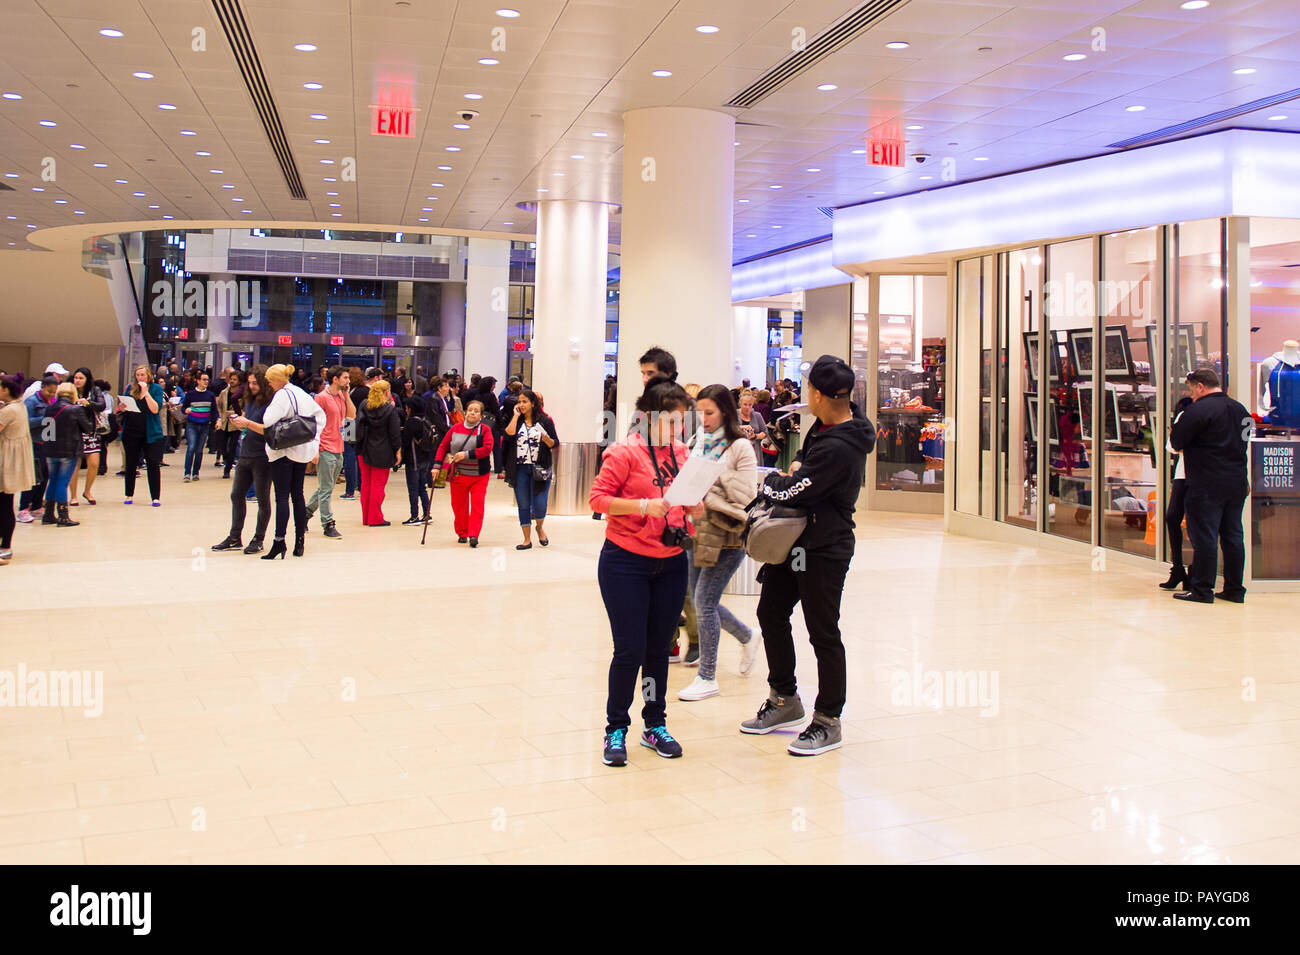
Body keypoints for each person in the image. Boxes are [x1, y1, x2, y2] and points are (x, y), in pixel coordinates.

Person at [740, 355, 875, 757]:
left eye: (807, 390)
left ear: (817, 394)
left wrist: (774, 483)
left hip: (825, 548)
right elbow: (801, 472)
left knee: (822, 630)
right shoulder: (828, 424)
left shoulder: (842, 445)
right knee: (771, 612)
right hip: (794, 540)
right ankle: (785, 699)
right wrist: (796, 473)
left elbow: (795, 487)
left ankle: (828, 719)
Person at [589, 375, 699, 767]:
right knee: (629, 649)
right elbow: (598, 498)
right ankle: (615, 728)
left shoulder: (683, 453)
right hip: (625, 562)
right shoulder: (623, 453)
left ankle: (655, 724)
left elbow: (686, 503)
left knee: (658, 649)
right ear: (648, 417)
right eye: (670, 421)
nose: (676, 430)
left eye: (681, 422)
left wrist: (695, 505)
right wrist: (640, 506)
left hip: (670, 562)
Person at [677, 385, 761, 702]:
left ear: (725, 411)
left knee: (705, 601)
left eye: (709, 412)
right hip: (698, 531)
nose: (704, 418)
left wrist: (711, 476)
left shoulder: (740, 447)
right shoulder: (697, 441)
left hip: (729, 535)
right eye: (700, 412)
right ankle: (746, 634)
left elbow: (746, 496)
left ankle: (707, 675)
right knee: (700, 600)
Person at [1169, 369, 1251, 604]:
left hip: (1206, 483)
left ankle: (1202, 589)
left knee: (1204, 536)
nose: (1191, 394)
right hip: (1236, 482)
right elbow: (1244, 441)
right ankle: (1235, 589)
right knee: (1233, 536)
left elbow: (1176, 443)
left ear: (1200, 387)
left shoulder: (1196, 411)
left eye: (1192, 389)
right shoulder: (1241, 410)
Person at [259, 364, 327, 559]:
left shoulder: (281, 395)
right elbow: (319, 417)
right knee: (298, 495)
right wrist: (314, 444)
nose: (269, 383)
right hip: (302, 450)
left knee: (281, 497)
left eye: (271, 379)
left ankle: (279, 541)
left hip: (283, 452)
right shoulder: (302, 393)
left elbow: (268, 420)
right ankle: (300, 542)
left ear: (279, 379)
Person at [213, 366, 273, 554]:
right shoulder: (251, 400)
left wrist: (247, 423)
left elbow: (269, 429)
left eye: (256, 383)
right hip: (246, 453)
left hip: (263, 456)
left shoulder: (271, 403)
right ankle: (234, 537)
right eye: (250, 382)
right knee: (236, 495)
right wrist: (242, 422)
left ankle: (258, 539)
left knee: (263, 500)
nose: (252, 386)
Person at [433, 399, 493, 547]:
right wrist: (437, 466)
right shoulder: (455, 429)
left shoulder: (484, 429)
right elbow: (443, 447)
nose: (472, 413)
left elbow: (487, 448)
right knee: (459, 506)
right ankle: (462, 532)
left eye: (476, 411)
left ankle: (473, 534)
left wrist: (466, 454)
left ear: (481, 415)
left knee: (477, 505)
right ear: (465, 412)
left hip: (479, 475)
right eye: (470, 410)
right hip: (458, 474)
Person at [504, 389, 558, 549]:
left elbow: (555, 443)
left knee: (540, 503)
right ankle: (526, 539)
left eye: (524, 402)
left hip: (540, 468)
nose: (521, 405)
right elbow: (508, 435)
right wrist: (515, 415)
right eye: (519, 402)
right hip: (520, 468)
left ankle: (539, 528)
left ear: (533, 404)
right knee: (523, 504)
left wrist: (547, 440)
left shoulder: (544, 420)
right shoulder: (517, 420)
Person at [304, 366, 353, 540]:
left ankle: (305, 513)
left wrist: (347, 395)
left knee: (327, 487)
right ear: (335, 379)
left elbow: (351, 416)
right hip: (325, 447)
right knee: (326, 488)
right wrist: (314, 449)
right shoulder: (321, 398)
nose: (348, 381)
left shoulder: (341, 395)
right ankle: (328, 523)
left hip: (339, 446)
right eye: (345, 378)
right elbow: (313, 424)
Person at [41, 382, 93, 527]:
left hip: (51, 450)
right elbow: (88, 428)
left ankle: (48, 514)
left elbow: (46, 431)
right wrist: (86, 408)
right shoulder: (75, 409)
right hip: (69, 451)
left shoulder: (49, 408)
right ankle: (63, 516)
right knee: (63, 483)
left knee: (53, 481)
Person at [117, 365, 167, 506]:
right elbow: (124, 406)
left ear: (149, 376)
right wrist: (122, 407)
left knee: (153, 464)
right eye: (138, 375)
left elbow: (155, 409)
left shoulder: (156, 388)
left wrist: (146, 392)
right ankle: (129, 494)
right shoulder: (130, 388)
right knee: (131, 464)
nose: (140, 378)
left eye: (143, 375)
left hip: (150, 433)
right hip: (131, 431)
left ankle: (155, 497)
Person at [1159, 395, 1195, 591]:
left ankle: (1194, 571)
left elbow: (1175, 445)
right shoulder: (1184, 416)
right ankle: (1177, 568)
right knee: (1172, 518)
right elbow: (1171, 446)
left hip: (1200, 476)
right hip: (1182, 474)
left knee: (1197, 524)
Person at [355, 379, 401, 527]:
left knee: (366, 484)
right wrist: (398, 451)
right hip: (382, 451)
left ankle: (366, 517)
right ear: (387, 392)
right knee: (378, 485)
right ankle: (375, 518)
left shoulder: (363, 405)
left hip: (363, 449)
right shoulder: (390, 410)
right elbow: (394, 434)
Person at [0, 376, 36, 563]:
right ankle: (4, 545)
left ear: (6, 390)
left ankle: (5, 547)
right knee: (5, 505)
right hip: (11, 460)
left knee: (5, 506)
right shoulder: (18, 406)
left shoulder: (9, 410)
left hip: (6, 462)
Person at [63, 367, 106, 507]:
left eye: (81, 378)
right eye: (76, 378)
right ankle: (73, 495)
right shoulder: (69, 390)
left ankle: (87, 491)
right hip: (73, 431)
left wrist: (89, 403)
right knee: (74, 464)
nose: (78, 380)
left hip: (90, 431)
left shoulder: (94, 390)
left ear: (87, 379)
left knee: (93, 463)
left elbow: (101, 405)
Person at [399, 396, 434, 525]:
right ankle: (427, 514)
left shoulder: (412, 422)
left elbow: (406, 441)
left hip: (413, 459)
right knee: (422, 488)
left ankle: (414, 516)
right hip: (425, 458)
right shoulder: (426, 420)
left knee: (413, 489)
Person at [180, 371, 216, 481]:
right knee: (191, 447)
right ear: (198, 381)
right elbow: (183, 407)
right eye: (204, 379)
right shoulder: (191, 394)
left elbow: (214, 411)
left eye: (207, 380)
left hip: (205, 424)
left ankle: (196, 473)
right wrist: (186, 410)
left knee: (199, 450)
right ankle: (187, 473)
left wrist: (217, 420)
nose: (206, 382)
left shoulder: (210, 395)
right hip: (192, 424)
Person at [213, 368, 243, 478]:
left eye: (235, 379)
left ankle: (227, 469)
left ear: (239, 381)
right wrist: (220, 417)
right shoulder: (224, 392)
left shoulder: (242, 394)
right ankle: (226, 459)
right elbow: (219, 406)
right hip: (224, 422)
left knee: (232, 446)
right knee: (221, 446)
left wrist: (233, 413)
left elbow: (243, 409)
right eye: (231, 379)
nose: (232, 381)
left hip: (235, 424)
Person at [738, 390, 767, 462]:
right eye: (745, 404)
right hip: (738, 451)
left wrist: (755, 436)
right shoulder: (734, 414)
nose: (747, 407)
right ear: (740, 404)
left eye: (750, 405)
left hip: (755, 451)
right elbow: (728, 429)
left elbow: (765, 432)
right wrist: (741, 427)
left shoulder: (757, 415)